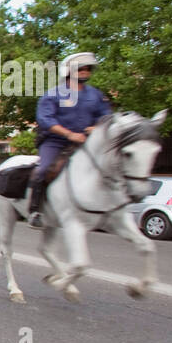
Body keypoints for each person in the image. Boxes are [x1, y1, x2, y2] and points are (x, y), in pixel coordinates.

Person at [28, 52, 112, 228]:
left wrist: (96, 128)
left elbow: (107, 117)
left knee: (110, 165)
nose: (85, 71)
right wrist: (69, 134)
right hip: (55, 142)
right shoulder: (53, 95)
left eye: (88, 68)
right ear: (68, 71)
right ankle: (35, 211)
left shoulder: (96, 95)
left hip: (86, 142)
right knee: (43, 170)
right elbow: (45, 120)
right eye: (80, 68)